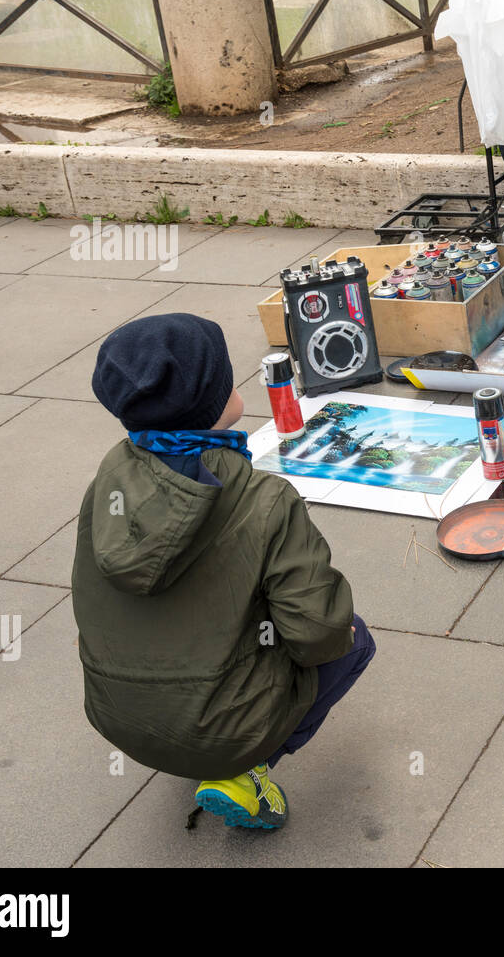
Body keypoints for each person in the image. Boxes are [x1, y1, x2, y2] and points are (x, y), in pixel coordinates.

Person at [72, 313, 374, 830]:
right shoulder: (264, 497)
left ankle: (197, 737)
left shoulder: (108, 479)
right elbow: (317, 632)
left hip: (115, 715)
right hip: (218, 730)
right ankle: (243, 772)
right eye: (226, 374)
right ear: (208, 398)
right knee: (353, 638)